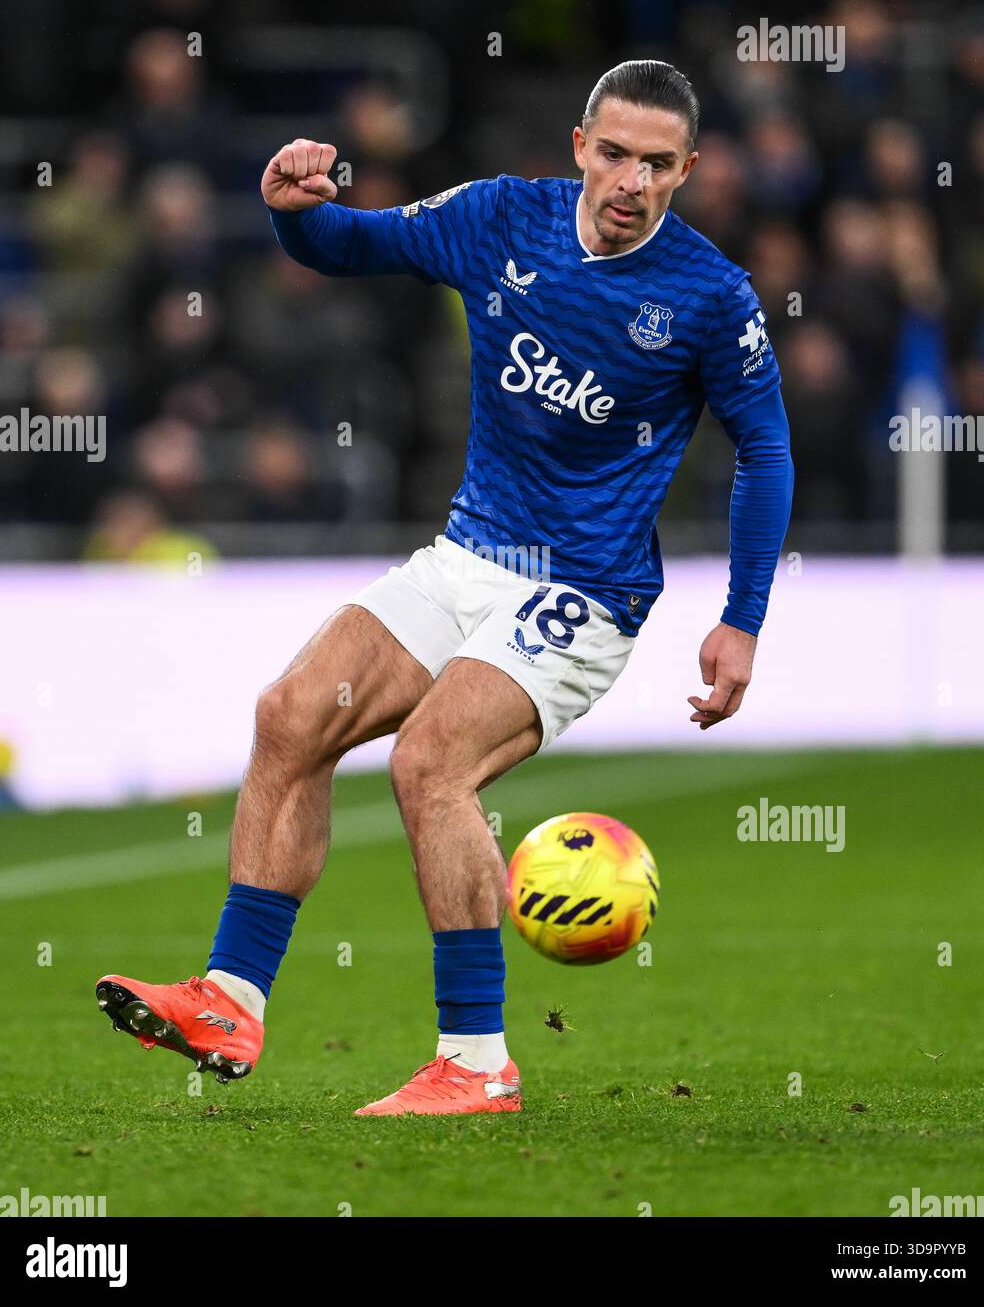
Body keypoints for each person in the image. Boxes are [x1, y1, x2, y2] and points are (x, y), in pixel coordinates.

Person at [96, 60, 794, 1116]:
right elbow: (354, 242)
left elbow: (766, 451)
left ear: (686, 170)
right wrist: (293, 213)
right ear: (578, 147)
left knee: (428, 765)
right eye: (612, 154)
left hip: (585, 590)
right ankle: (228, 998)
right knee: (291, 716)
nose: (629, 182)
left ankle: (475, 1060)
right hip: (466, 556)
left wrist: (740, 619)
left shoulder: (708, 297)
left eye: (656, 164)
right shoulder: (497, 218)